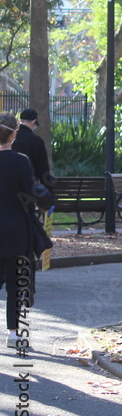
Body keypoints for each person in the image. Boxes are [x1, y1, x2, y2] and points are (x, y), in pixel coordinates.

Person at [0, 113, 36, 347]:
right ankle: (14, 333)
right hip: (15, 229)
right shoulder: (22, 161)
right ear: (14, 134)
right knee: (15, 282)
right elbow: (30, 197)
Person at [11, 108, 51, 187]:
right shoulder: (37, 141)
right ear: (33, 121)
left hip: (11, 182)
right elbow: (43, 167)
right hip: (29, 184)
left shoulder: (11, 137)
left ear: (20, 120)